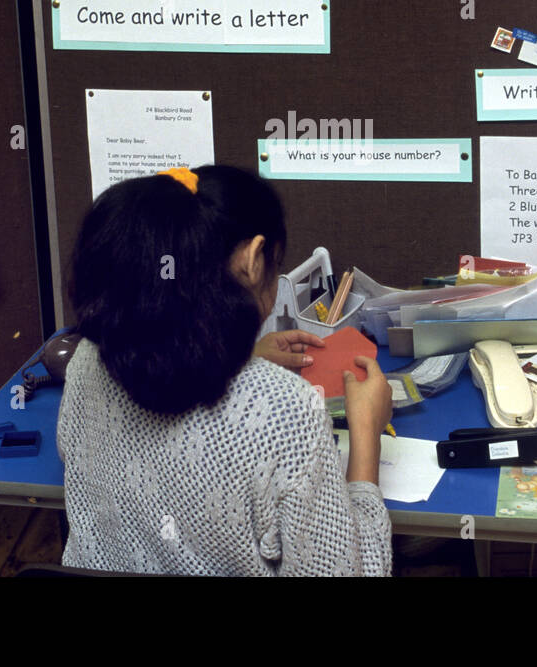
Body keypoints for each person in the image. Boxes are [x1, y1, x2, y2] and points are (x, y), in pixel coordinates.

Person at [57, 164, 393, 575]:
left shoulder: (87, 363)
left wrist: (242, 358)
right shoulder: (287, 410)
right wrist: (366, 435)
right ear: (253, 259)